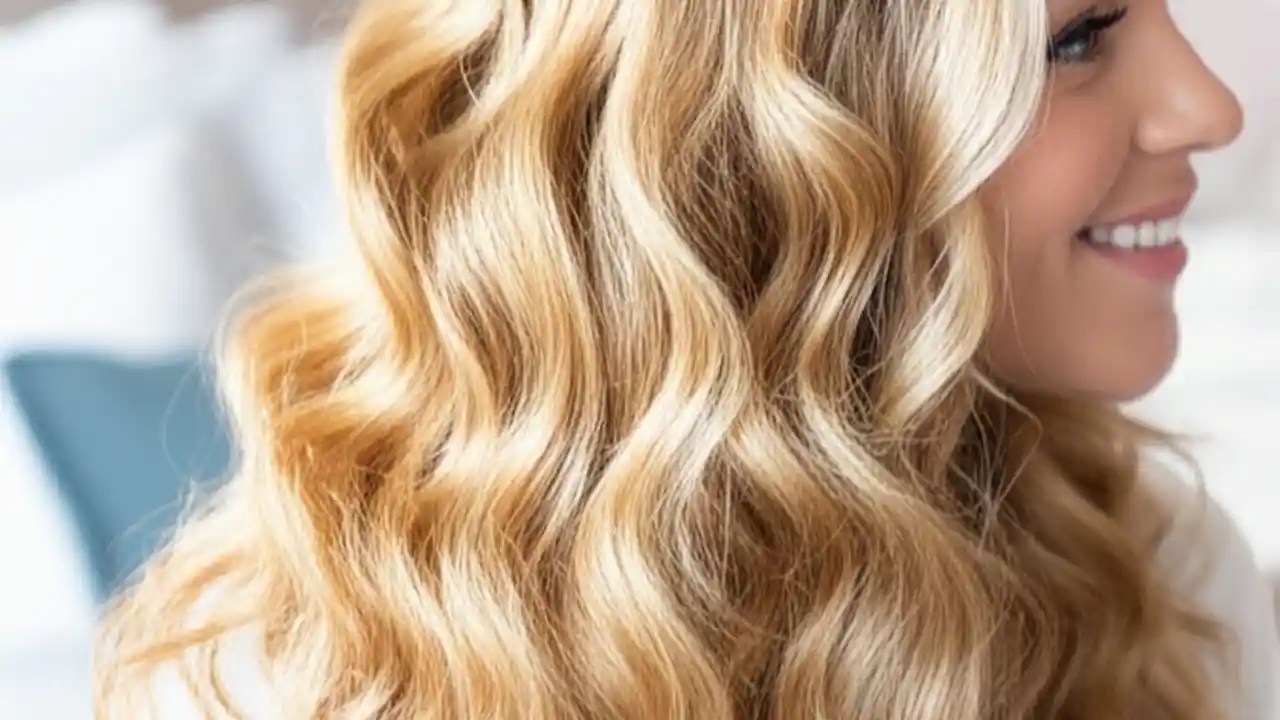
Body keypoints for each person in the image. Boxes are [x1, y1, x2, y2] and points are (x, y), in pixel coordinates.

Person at [94, 0, 1278, 717]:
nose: (1207, 105)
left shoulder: (1151, 572)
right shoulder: (272, 683)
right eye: (1075, 40)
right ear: (769, 149)